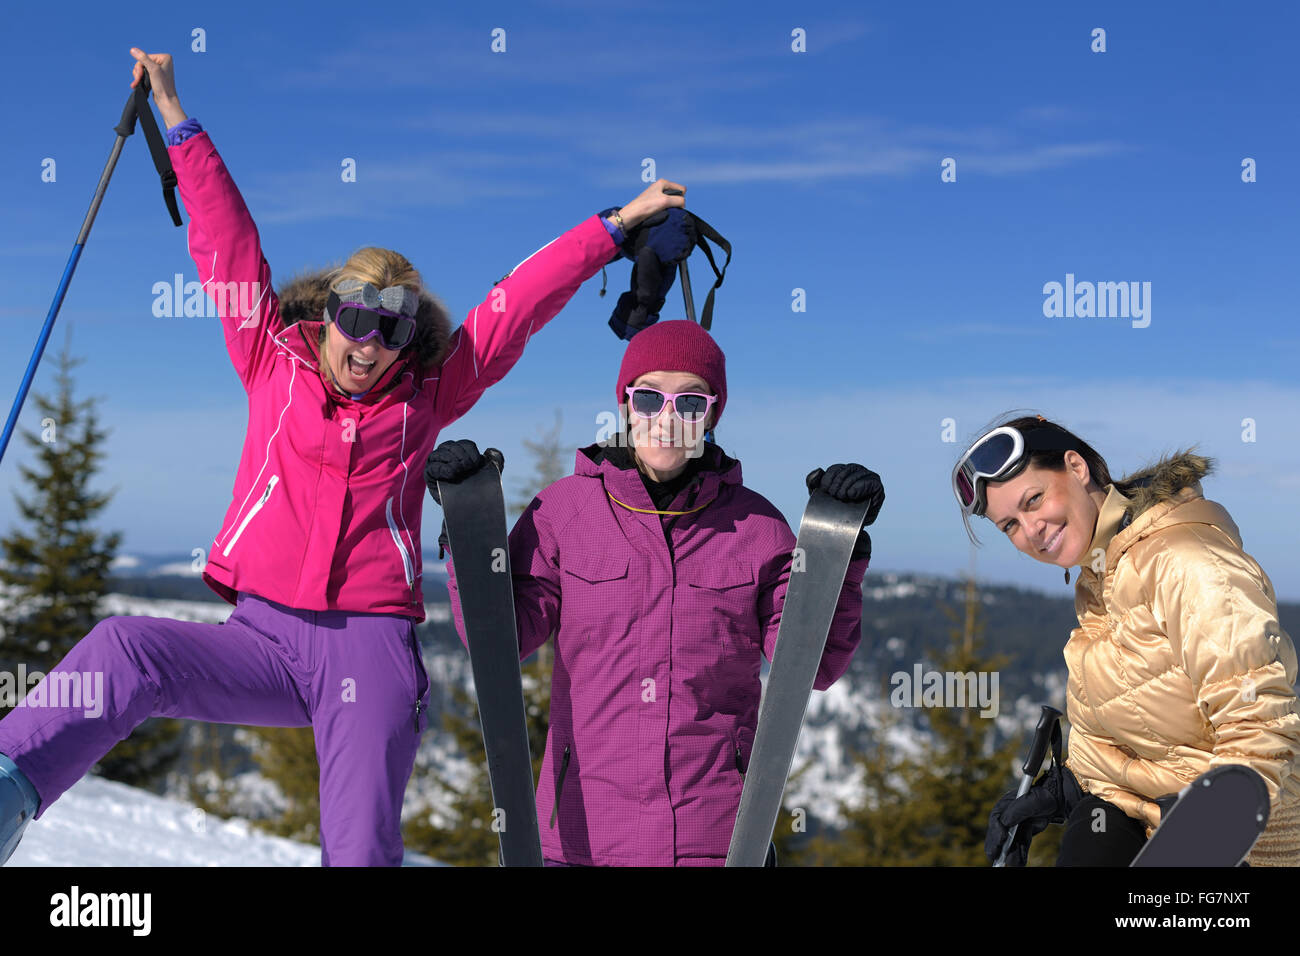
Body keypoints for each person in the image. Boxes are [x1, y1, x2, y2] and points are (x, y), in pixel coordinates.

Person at [0, 47, 686, 867]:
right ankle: (8, 788)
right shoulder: (267, 355)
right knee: (123, 651)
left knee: (358, 844)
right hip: (260, 636)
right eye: (356, 317)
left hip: (368, 649)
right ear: (328, 312)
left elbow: (513, 307)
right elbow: (225, 239)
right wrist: (176, 114)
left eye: (393, 326)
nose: (369, 342)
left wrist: (611, 230)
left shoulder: (428, 394)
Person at [426, 320, 885, 865]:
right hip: (581, 834)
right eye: (649, 398)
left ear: (712, 414)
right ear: (626, 404)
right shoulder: (564, 511)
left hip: (715, 837)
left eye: (690, 403)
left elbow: (811, 664)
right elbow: (503, 639)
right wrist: (469, 540)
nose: (667, 420)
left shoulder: (758, 528)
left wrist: (840, 559)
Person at [956, 414, 1300, 866]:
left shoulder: (1187, 563)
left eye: (1034, 499)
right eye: (1010, 526)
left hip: (1250, 844)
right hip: (1140, 813)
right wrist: (1068, 787)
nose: (1031, 530)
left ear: (1076, 467)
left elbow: (1261, 726)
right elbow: (1139, 721)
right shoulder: (1103, 576)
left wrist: (1208, 829)